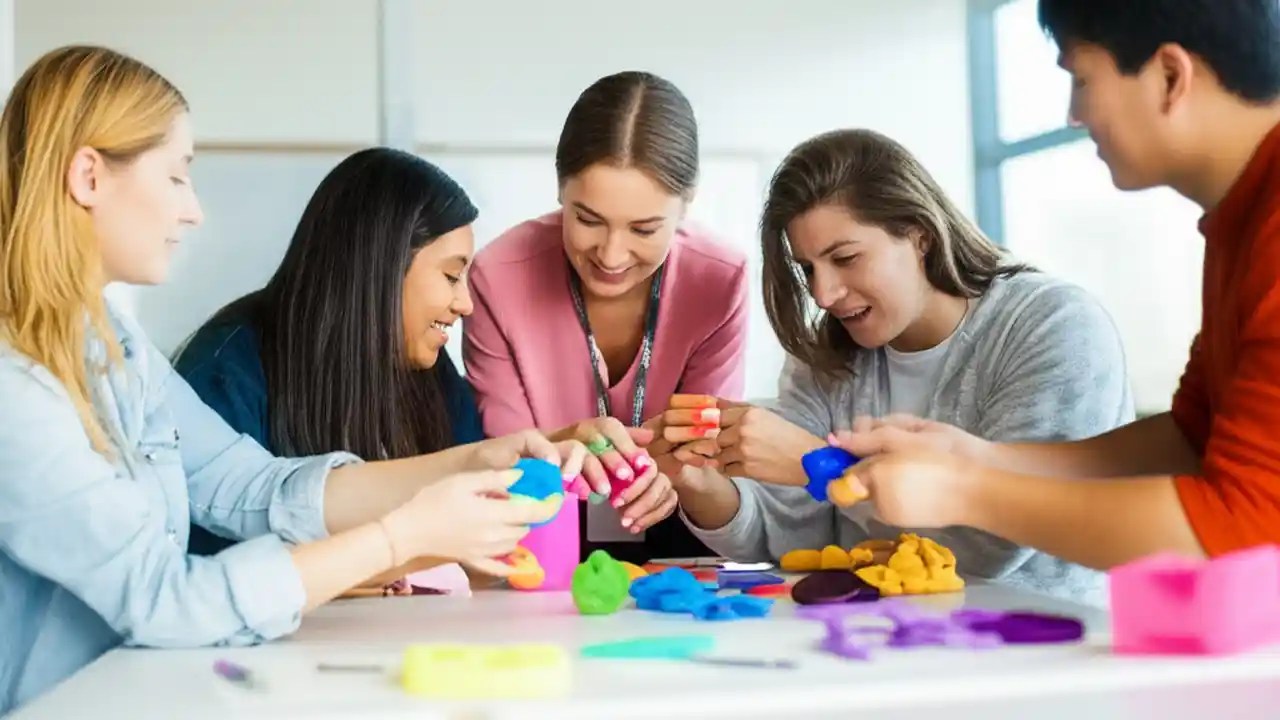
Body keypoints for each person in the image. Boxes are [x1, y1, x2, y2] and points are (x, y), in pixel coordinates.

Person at [0, 46, 587, 714]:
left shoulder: (114, 343)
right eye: (177, 176)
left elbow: (248, 483)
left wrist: (473, 460)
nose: (193, 211)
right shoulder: (14, 388)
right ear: (88, 177)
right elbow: (163, 600)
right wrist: (402, 538)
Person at [822, 0, 1280, 570]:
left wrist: (966, 491)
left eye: (1082, 78)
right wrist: (980, 458)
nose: (1074, 113)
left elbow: (1246, 528)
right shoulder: (1242, 221)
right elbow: (1190, 440)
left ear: (1169, 76)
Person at [652, 128, 1133, 604]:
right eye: (809, 269)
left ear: (919, 235)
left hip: (1038, 648)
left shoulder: (1052, 327)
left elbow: (985, 551)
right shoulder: (826, 356)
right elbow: (794, 538)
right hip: (876, 645)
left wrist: (818, 463)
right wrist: (701, 484)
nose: (824, 294)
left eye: (846, 258)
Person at [173, 149, 509, 576]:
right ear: (380, 269)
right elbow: (212, 567)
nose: (465, 304)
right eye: (450, 276)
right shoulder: (226, 375)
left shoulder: (432, 373)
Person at [464, 71, 748, 563]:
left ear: (688, 203)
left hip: (677, 536)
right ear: (559, 189)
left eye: (644, 229)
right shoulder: (498, 276)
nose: (612, 256)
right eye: (588, 220)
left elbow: (709, 454)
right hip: (539, 539)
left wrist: (679, 474)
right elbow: (504, 458)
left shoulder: (720, 279)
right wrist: (560, 442)